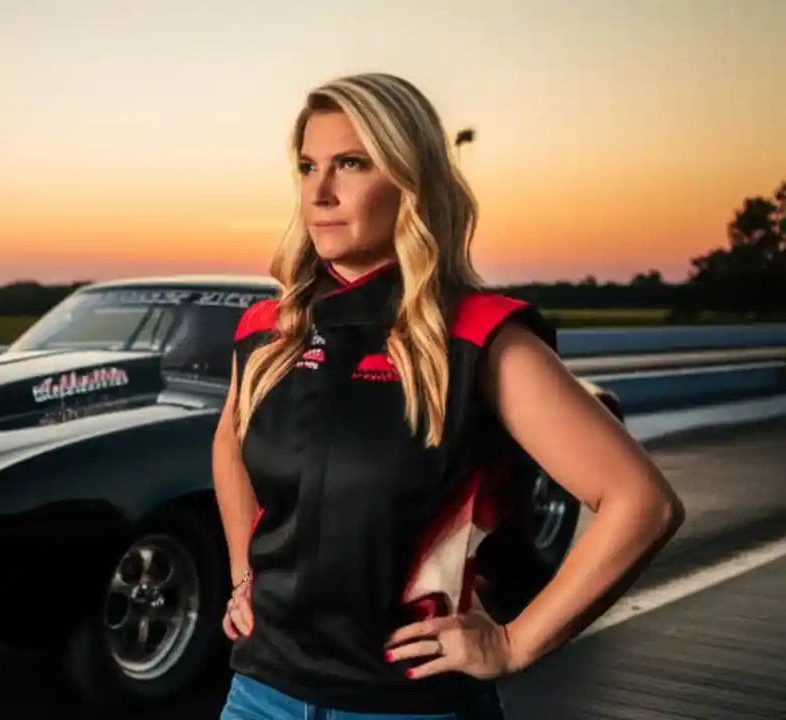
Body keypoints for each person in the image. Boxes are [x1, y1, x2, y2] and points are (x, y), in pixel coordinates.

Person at [210, 72, 686, 719]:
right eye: (306, 166)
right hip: (259, 693)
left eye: (350, 164)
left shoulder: (480, 337)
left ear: (410, 178)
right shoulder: (269, 329)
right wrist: (245, 574)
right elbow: (230, 448)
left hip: (408, 704)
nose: (319, 193)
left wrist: (515, 643)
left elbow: (643, 504)